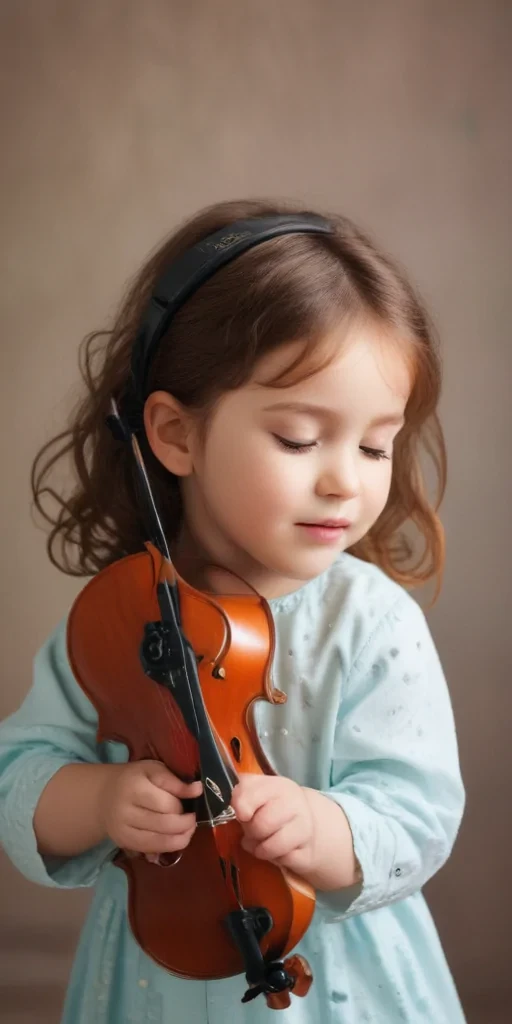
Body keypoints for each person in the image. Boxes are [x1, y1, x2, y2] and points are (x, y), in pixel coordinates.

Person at [0, 199, 466, 1023]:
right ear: (176, 436)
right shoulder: (122, 617)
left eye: (374, 445)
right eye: (298, 439)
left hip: (340, 984)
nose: (345, 482)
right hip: (154, 977)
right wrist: (102, 799)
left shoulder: (371, 624)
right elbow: (19, 776)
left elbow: (419, 811)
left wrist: (325, 827)